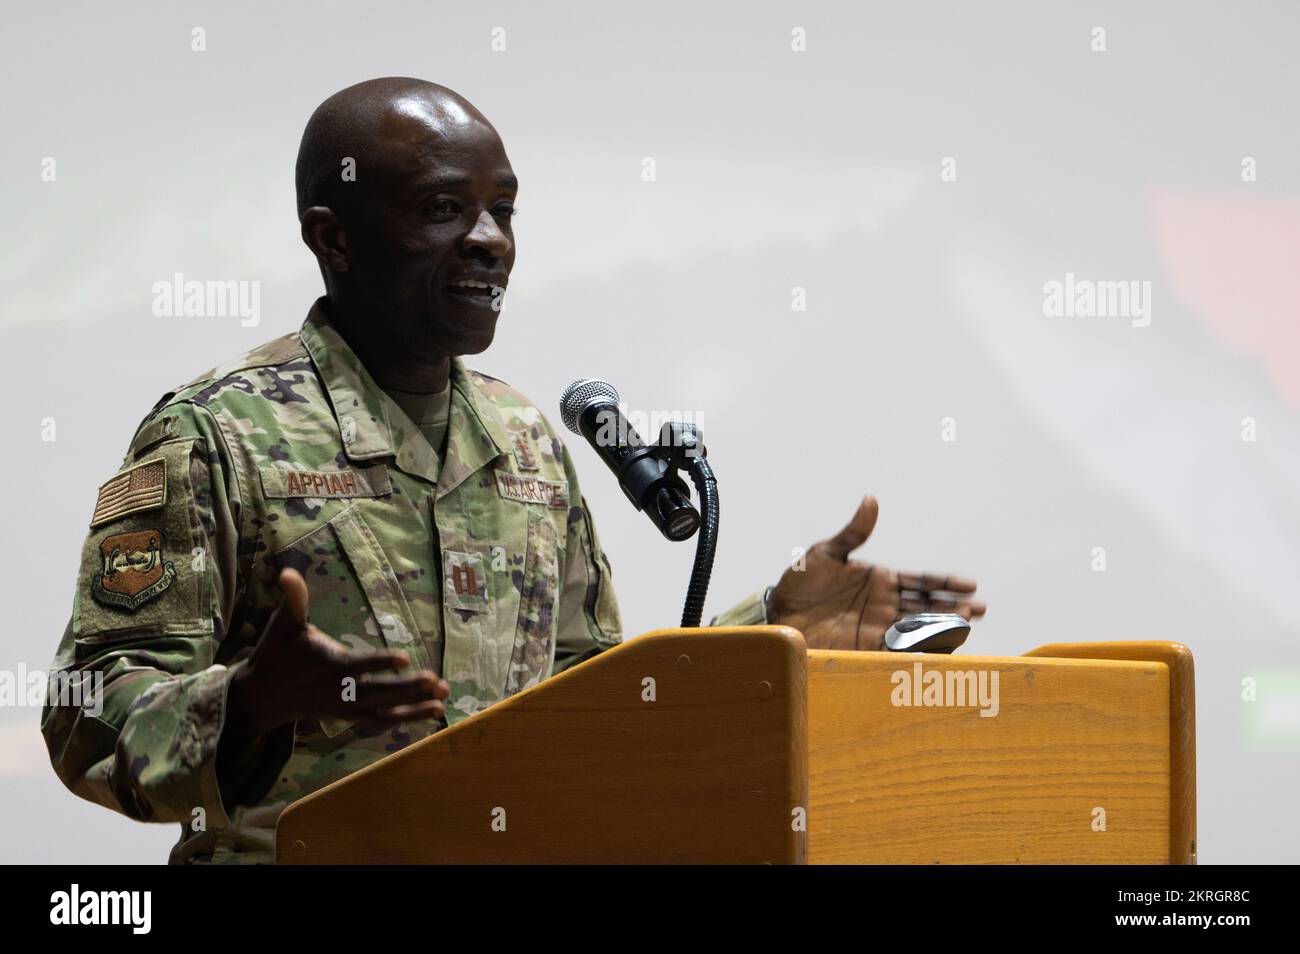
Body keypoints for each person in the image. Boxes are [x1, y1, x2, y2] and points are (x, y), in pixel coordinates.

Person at [42, 78, 986, 863]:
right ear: (333, 236)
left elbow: (587, 702)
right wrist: (246, 702)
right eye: (444, 210)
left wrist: (771, 629)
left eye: (503, 210)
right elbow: (88, 715)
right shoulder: (216, 435)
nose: (492, 239)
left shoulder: (525, 439)